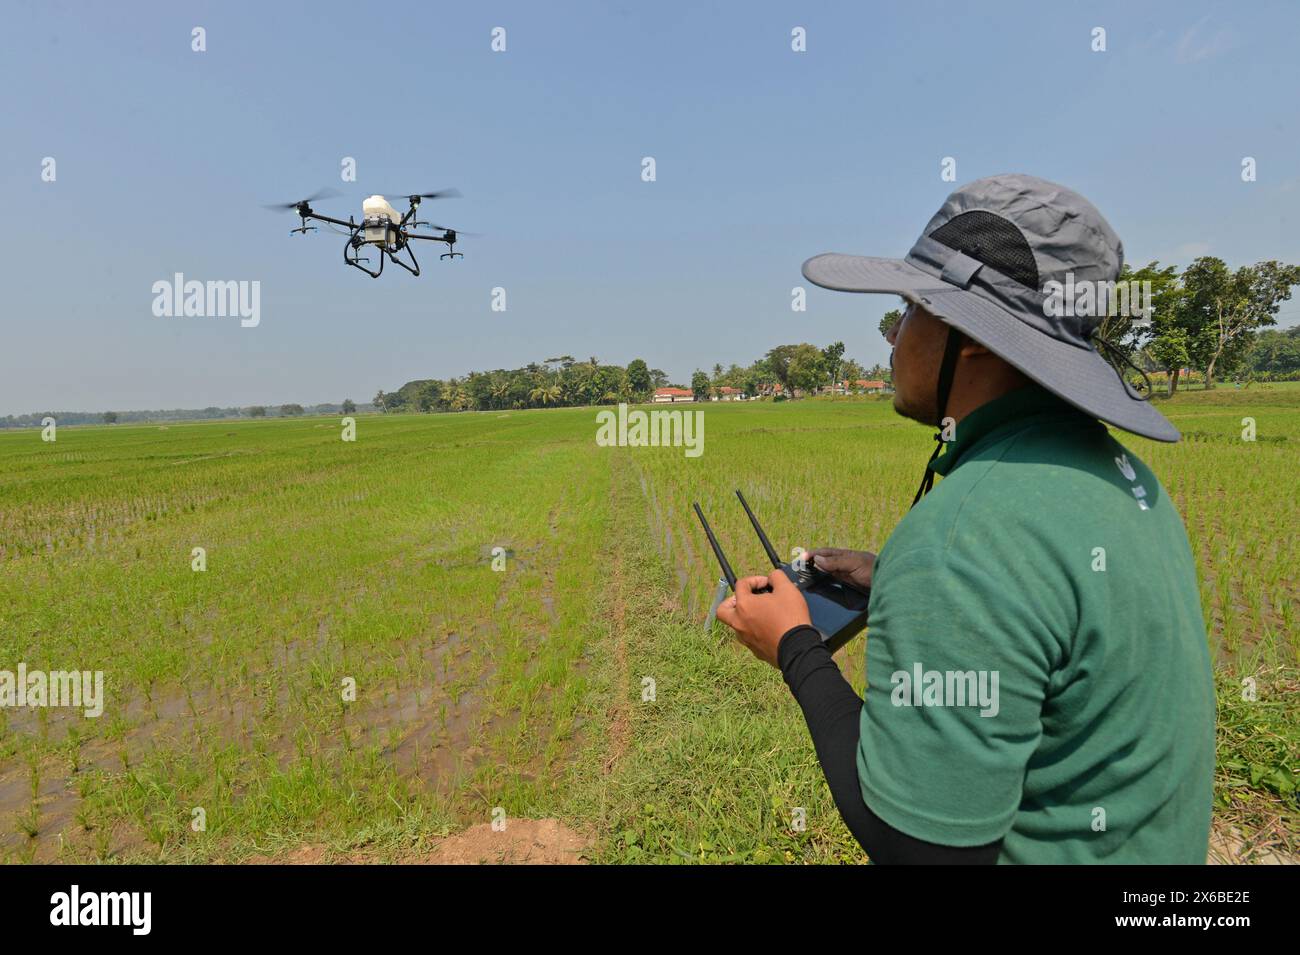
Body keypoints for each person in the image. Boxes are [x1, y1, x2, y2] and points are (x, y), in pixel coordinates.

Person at [715, 174, 1215, 864]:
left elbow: (915, 845)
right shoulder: (1121, 477)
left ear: (971, 337)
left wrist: (795, 644)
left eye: (908, 311)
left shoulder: (964, 536)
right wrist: (896, 579)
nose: (893, 337)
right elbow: (1046, 623)